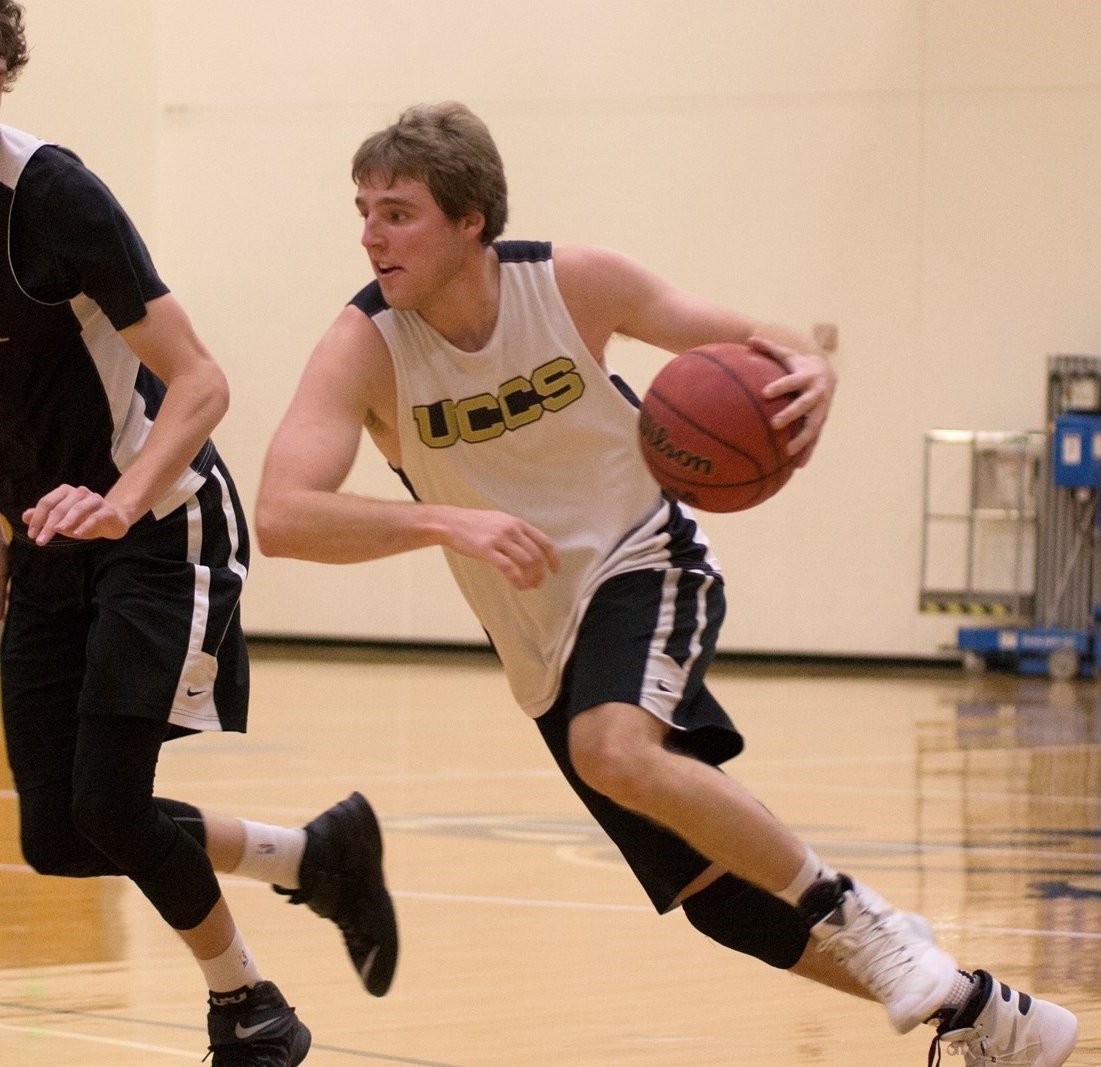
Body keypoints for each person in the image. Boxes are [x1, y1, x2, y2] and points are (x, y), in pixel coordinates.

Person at [254, 101, 1078, 1066]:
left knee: (613, 748)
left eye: (397, 213)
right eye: (363, 211)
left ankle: (857, 912)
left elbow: (767, 336)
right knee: (724, 904)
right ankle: (992, 1016)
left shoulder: (572, 284)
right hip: (538, 634)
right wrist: (442, 519)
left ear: (471, 218)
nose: (370, 235)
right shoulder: (364, 345)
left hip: (644, 555)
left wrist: (812, 368)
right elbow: (282, 515)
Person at [0, 4, 395, 1063]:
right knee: (58, 832)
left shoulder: (50, 196)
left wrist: (121, 501)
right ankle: (315, 854)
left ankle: (250, 1008)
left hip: (160, 519)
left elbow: (203, 382)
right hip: (47, 531)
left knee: (110, 803)